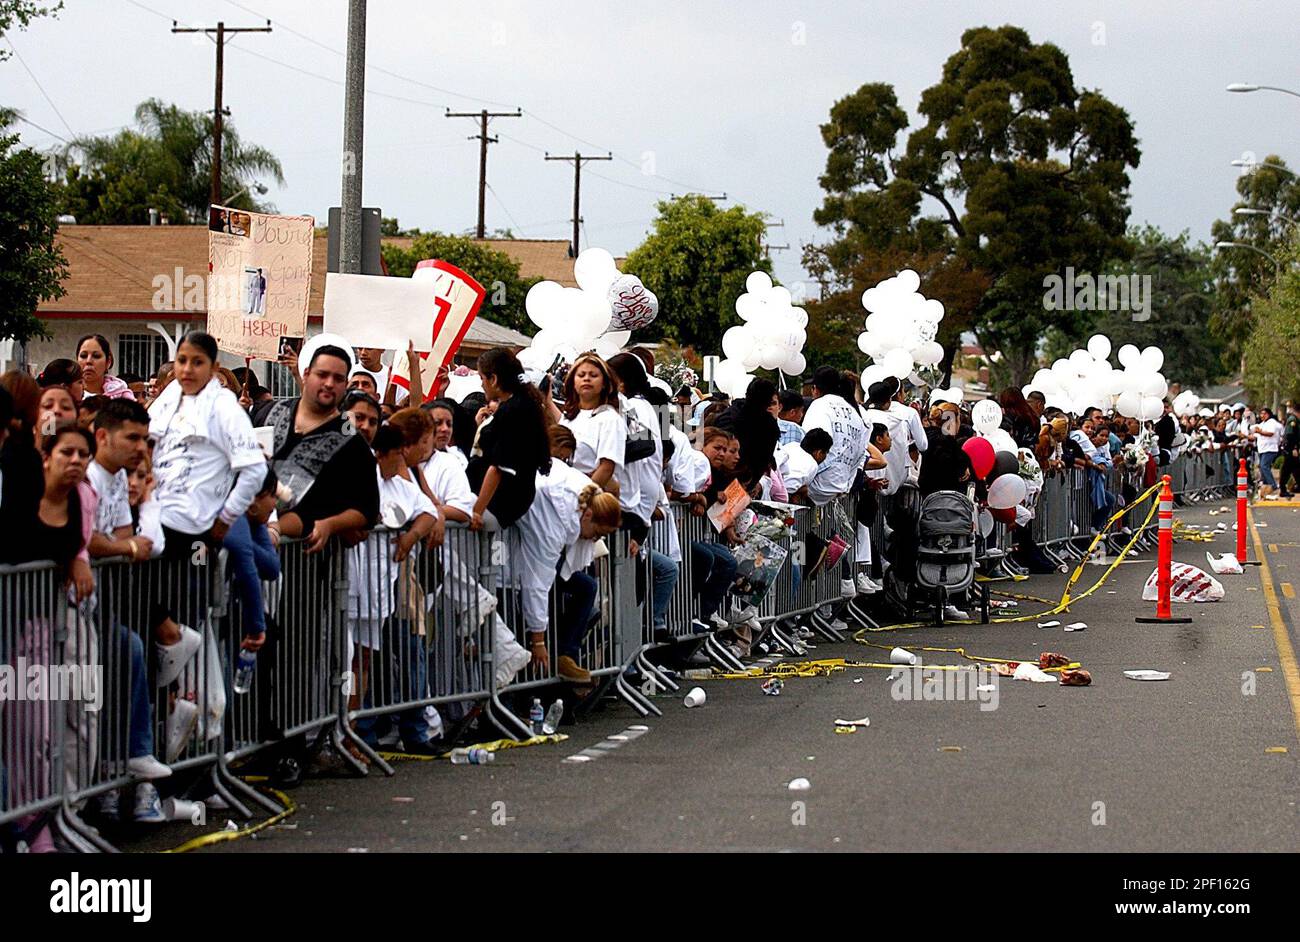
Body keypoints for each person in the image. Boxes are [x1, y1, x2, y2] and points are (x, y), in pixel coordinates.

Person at [148, 331, 267, 689]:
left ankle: (180, 672)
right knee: (138, 593)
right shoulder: (170, 396)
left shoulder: (225, 407)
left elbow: (254, 469)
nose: (187, 370)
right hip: (155, 507)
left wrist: (225, 517)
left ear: (213, 367)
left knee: (166, 597)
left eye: (197, 362)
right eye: (182, 361)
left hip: (192, 519)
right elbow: (148, 439)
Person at [265, 343, 379, 549]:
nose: (329, 383)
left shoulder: (353, 443)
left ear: (345, 385)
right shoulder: (272, 413)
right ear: (306, 374)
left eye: (338, 379)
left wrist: (330, 524)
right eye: (322, 374)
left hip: (308, 561)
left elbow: (367, 510)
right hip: (250, 544)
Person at [466, 348, 551, 531]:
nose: (481, 385)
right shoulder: (523, 405)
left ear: (494, 379)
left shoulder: (513, 411)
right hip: (505, 500)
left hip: (498, 502)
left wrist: (477, 511)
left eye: (482, 378)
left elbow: (499, 467)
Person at [801, 366, 868, 506]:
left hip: (814, 488)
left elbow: (810, 448)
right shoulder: (856, 413)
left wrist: (802, 480)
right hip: (839, 490)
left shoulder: (819, 405)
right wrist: (847, 484)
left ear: (815, 389)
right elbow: (861, 453)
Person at [1249, 407, 1284, 499]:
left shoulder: (1272, 422)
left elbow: (1270, 433)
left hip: (1270, 449)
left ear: (1269, 414)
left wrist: (1259, 431)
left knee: (1264, 466)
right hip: (1262, 449)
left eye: (1264, 414)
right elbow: (1254, 436)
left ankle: (1272, 485)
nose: (1262, 416)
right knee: (1262, 467)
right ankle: (1266, 486)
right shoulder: (1262, 424)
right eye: (1261, 414)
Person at [1279, 401, 1300, 498]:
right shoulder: (1293, 420)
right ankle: (1283, 490)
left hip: (1292, 448)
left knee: (1296, 468)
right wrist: (1294, 448)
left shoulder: (1295, 419)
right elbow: (1290, 436)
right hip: (1290, 449)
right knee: (1286, 469)